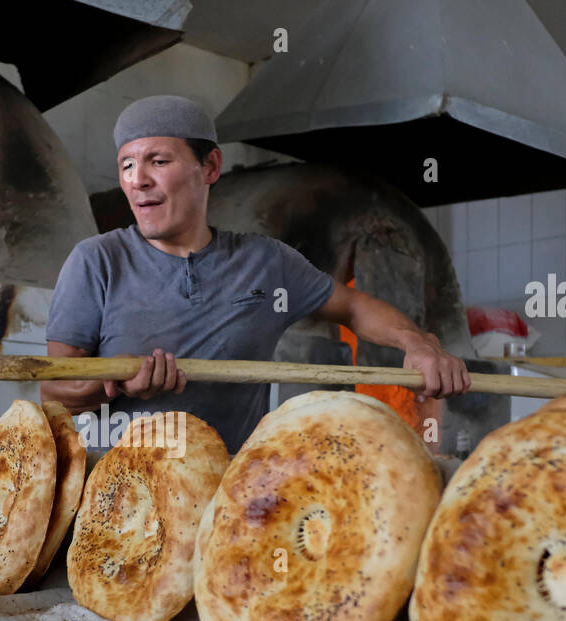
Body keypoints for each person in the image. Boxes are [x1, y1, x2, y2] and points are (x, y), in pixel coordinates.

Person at [41, 94, 471, 453]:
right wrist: (116, 384)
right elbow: (55, 391)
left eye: (157, 161)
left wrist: (417, 342)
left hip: (230, 496)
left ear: (209, 167)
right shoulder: (96, 261)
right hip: (117, 496)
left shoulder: (267, 262)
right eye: (127, 165)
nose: (139, 180)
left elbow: (355, 307)